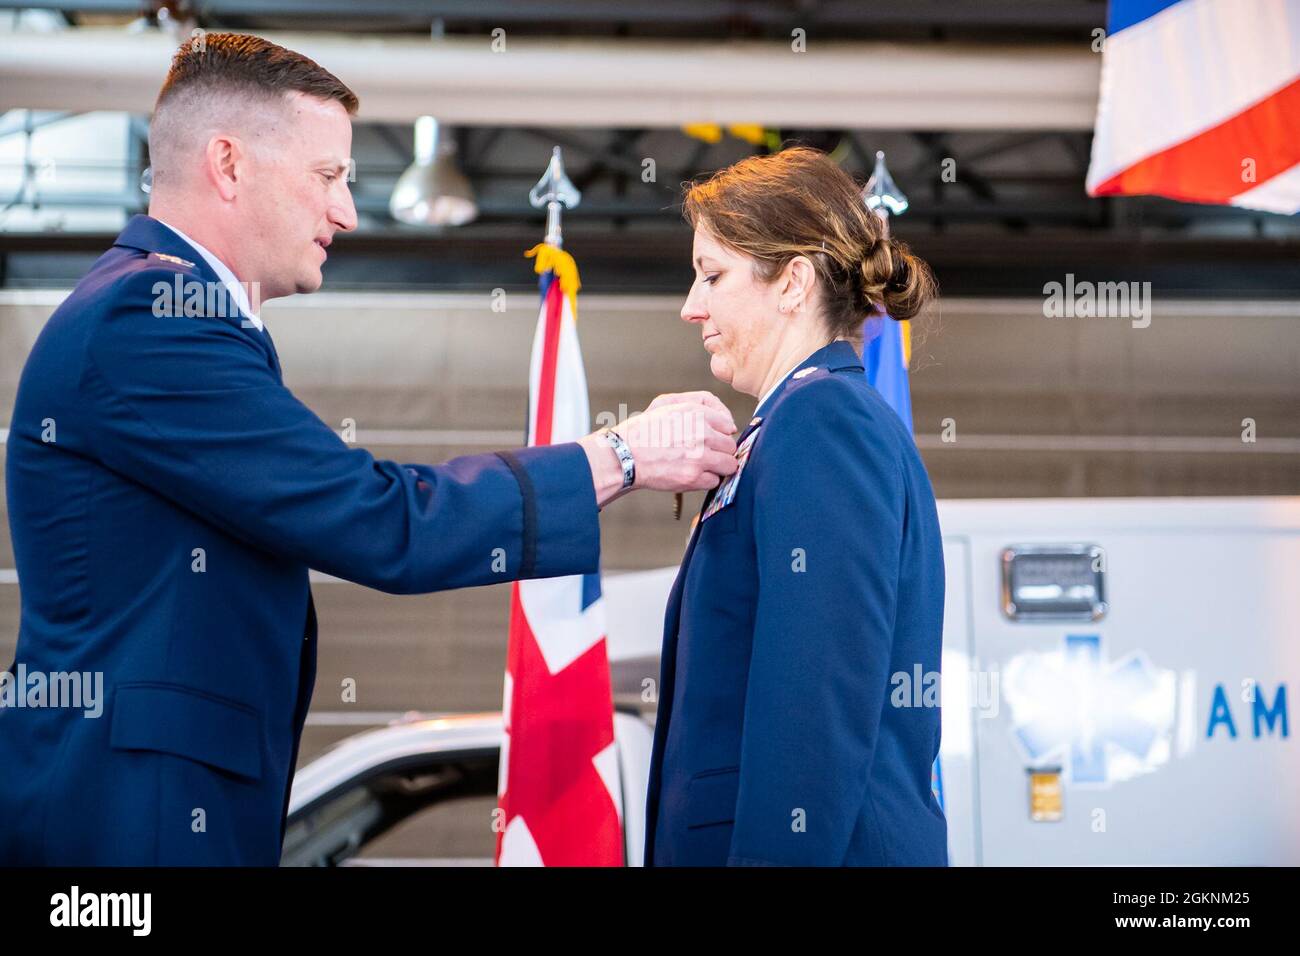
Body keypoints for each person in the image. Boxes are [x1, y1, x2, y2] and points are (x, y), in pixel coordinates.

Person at [0, 33, 738, 866]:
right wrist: (624, 455)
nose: (347, 211)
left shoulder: (169, 318)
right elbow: (382, 519)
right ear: (229, 165)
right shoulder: (148, 320)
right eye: (328, 177)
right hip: (128, 819)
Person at [644, 146, 948, 866]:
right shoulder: (794, 423)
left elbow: (812, 711)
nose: (692, 307)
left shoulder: (821, 422)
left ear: (793, 283)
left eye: (712, 275)